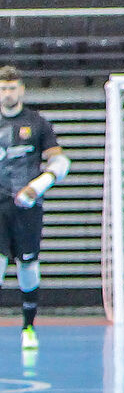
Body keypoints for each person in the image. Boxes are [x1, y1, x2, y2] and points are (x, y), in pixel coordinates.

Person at [0, 66, 69, 352]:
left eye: (12, 88)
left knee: (27, 265)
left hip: (27, 206)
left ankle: (28, 326)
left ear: (22, 90)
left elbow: (60, 163)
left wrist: (37, 186)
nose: (8, 93)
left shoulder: (37, 123)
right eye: (3, 88)